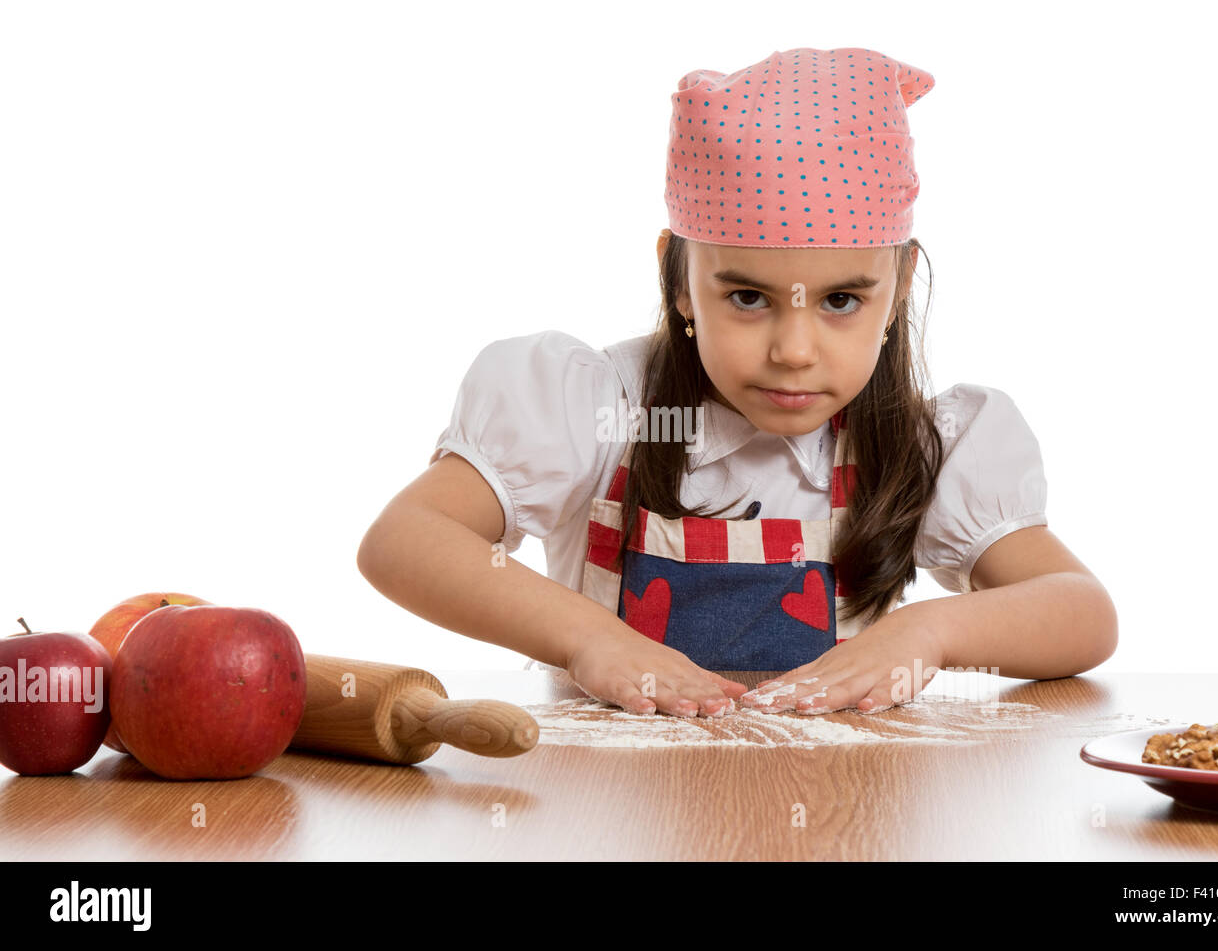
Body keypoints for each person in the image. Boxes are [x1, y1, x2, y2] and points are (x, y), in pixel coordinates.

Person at [357, 47, 1117, 720]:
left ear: (901, 284)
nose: (793, 350)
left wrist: (928, 632)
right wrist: (589, 640)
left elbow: (1081, 612)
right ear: (681, 280)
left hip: (847, 818)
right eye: (748, 297)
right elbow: (405, 542)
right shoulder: (600, 409)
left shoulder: (925, 448)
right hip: (611, 813)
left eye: (842, 301)